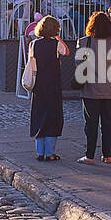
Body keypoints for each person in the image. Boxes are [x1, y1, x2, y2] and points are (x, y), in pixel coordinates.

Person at [76, 11, 111, 164]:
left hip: (90, 89)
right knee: (108, 123)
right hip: (110, 89)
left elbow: (78, 65)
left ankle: (89, 155)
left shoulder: (83, 42)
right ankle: (107, 155)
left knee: (91, 124)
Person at [29, 15, 67, 160]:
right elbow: (66, 52)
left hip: (38, 85)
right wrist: (58, 38)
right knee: (52, 117)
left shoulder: (33, 44)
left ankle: (40, 152)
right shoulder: (56, 45)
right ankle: (50, 153)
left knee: (39, 116)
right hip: (53, 85)